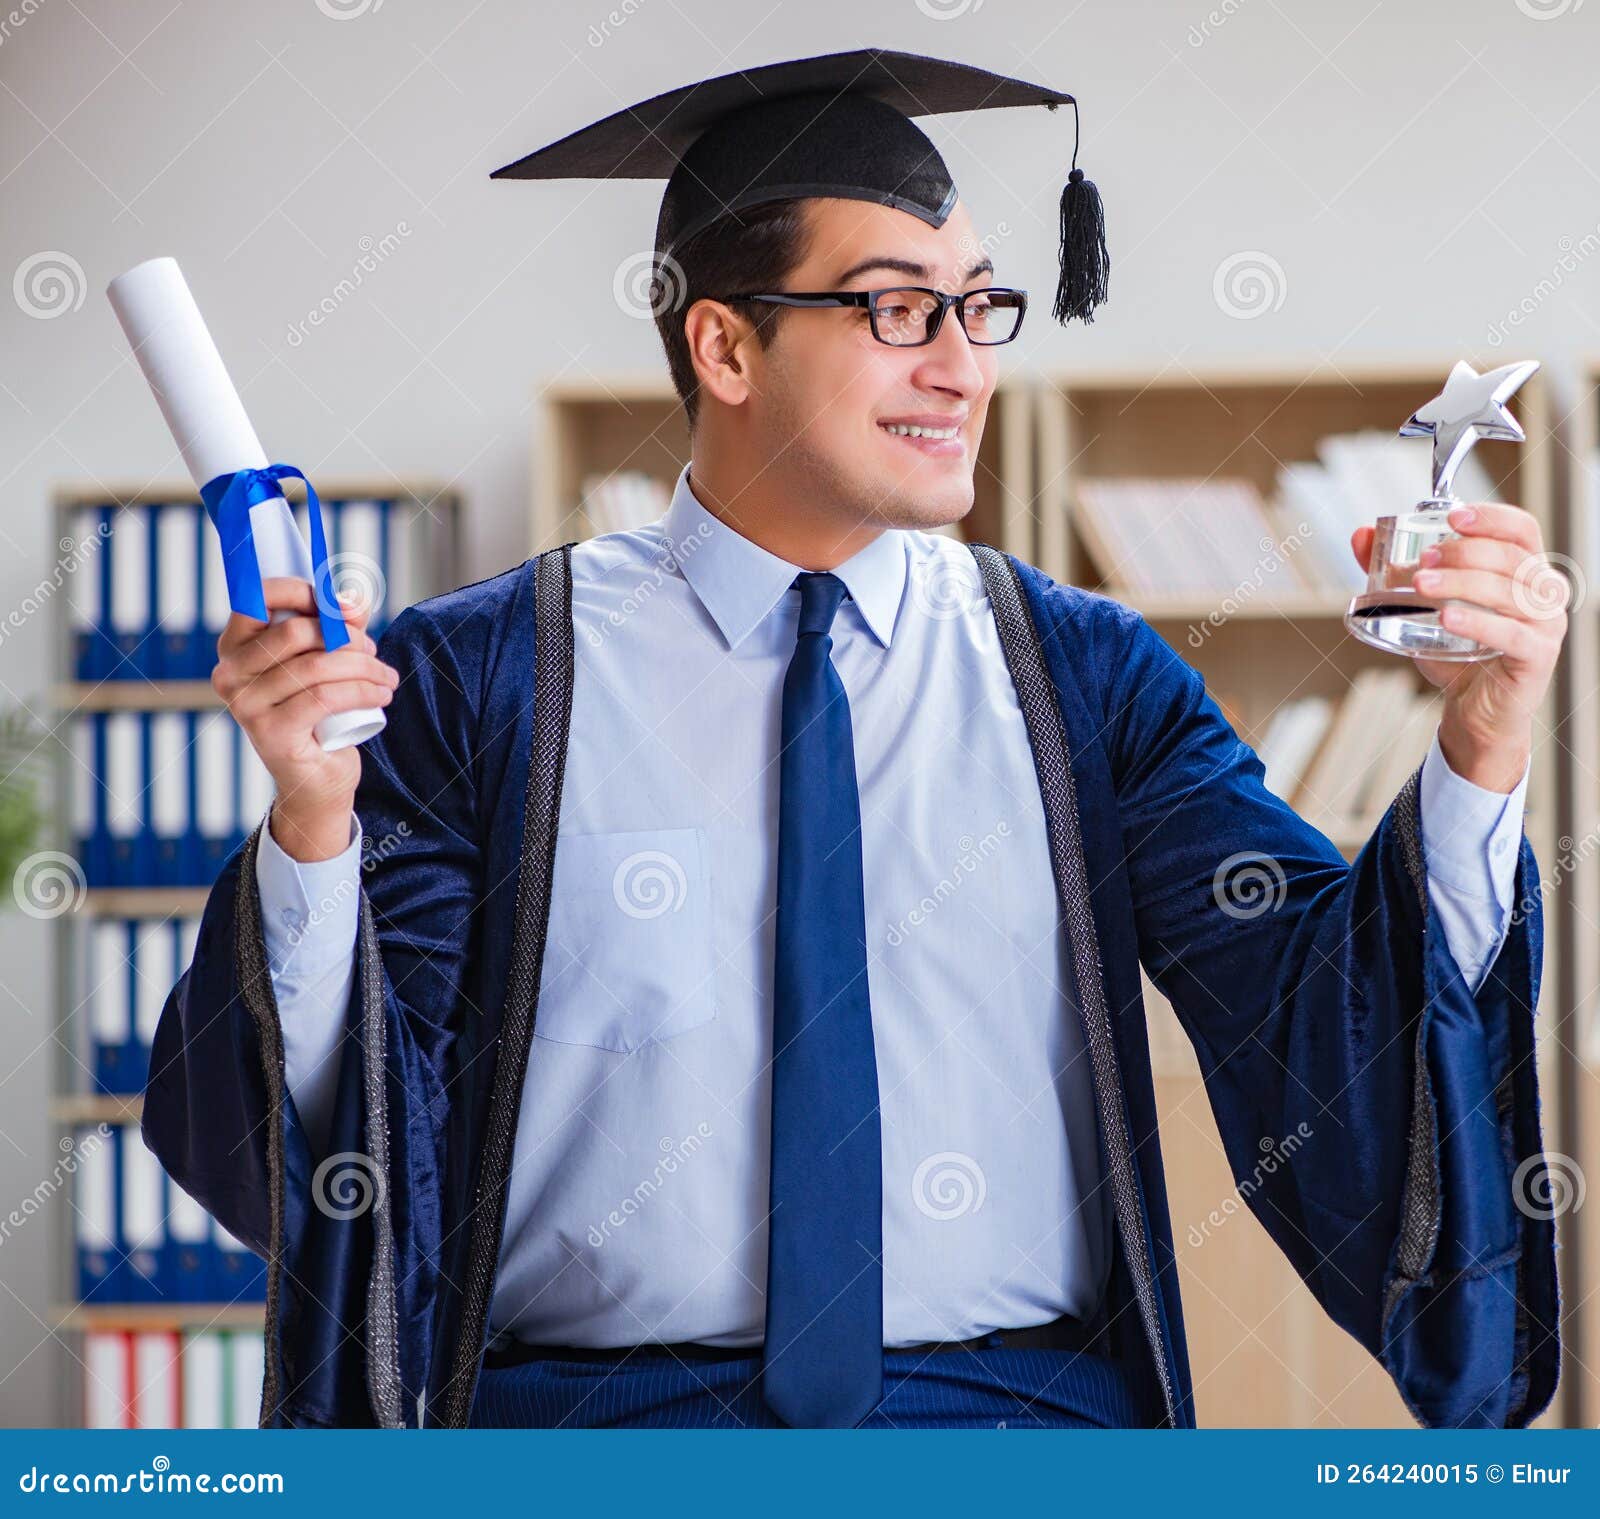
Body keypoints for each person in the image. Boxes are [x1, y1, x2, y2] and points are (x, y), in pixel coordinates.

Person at [143, 49, 1562, 1430]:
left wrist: (1484, 747)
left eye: (982, 305)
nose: (961, 366)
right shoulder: (484, 681)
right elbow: (340, 1142)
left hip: (1015, 1422)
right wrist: (315, 828)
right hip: (594, 1431)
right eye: (898, 311)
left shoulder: (1090, 680)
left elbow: (1325, 1006)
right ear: (725, 343)